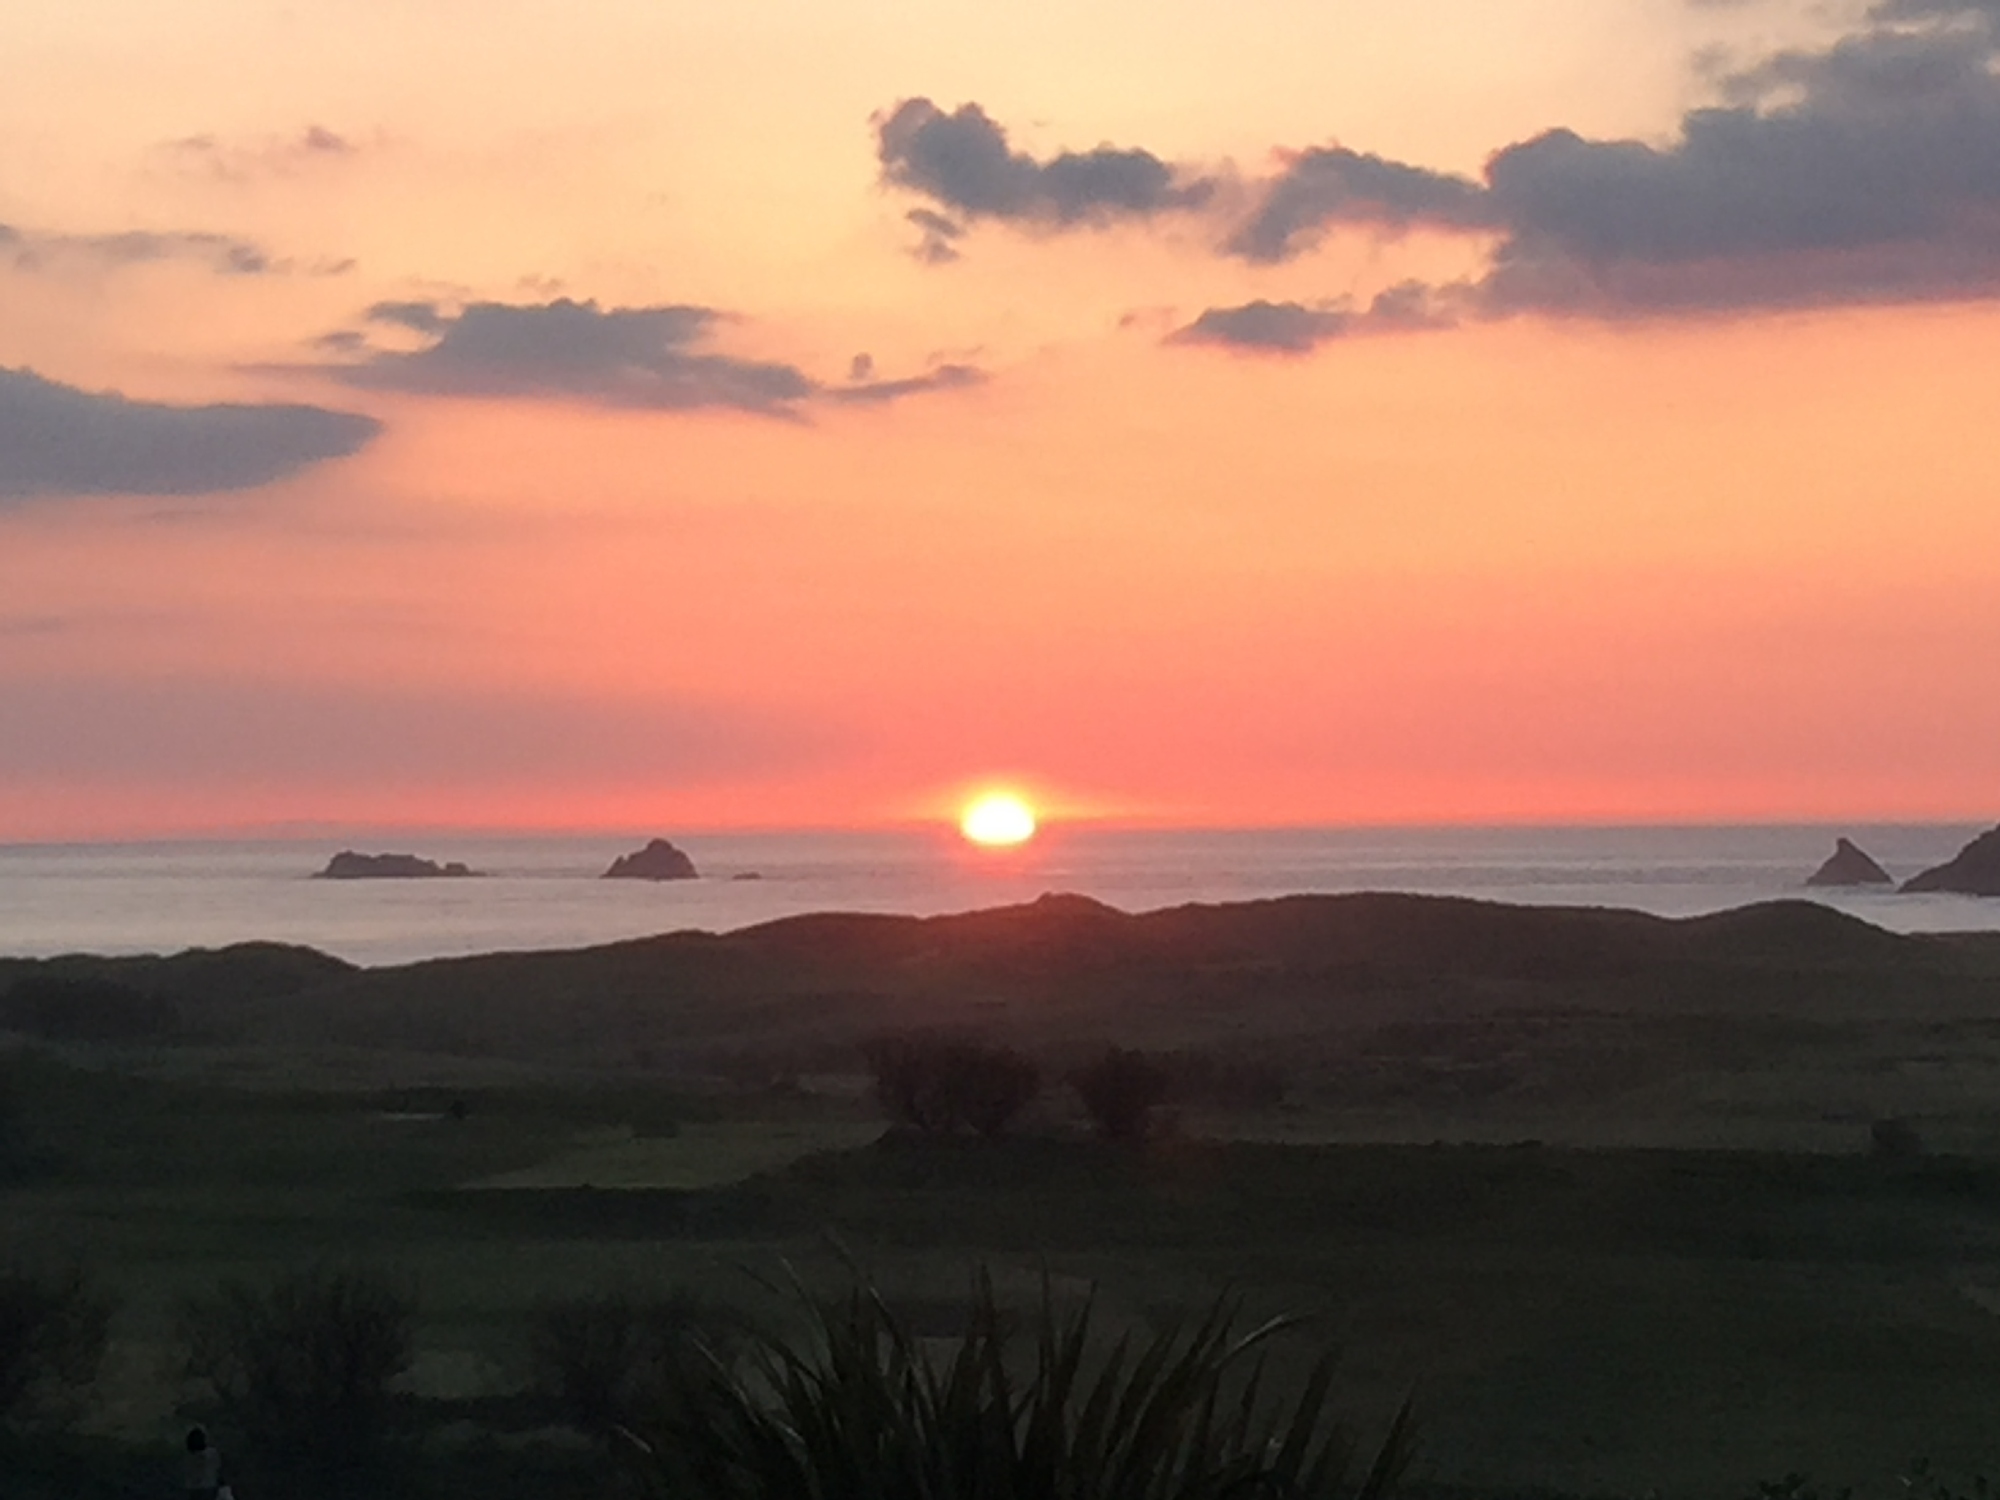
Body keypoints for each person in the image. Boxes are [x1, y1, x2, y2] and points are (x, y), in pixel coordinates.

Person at [183, 1425, 222, 1500]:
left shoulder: (188, 1456)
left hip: (193, 1488)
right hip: (209, 1486)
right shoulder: (212, 1453)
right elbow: (218, 1467)